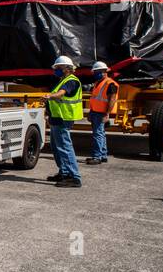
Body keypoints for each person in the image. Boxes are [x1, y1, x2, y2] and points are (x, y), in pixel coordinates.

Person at [43, 55, 83, 187]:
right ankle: (64, 172)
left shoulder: (71, 81)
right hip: (56, 118)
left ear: (67, 68)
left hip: (63, 118)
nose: (56, 70)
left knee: (65, 147)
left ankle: (74, 177)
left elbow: (60, 94)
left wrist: (49, 96)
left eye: (58, 68)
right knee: (57, 147)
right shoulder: (63, 80)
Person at [85, 61, 118, 165]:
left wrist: (106, 114)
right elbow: (94, 99)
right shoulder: (97, 83)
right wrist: (91, 111)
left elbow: (112, 100)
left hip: (101, 113)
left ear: (105, 71)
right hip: (95, 112)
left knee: (98, 135)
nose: (95, 74)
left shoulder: (110, 84)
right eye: (95, 72)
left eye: (97, 71)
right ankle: (103, 155)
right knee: (101, 134)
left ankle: (97, 157)